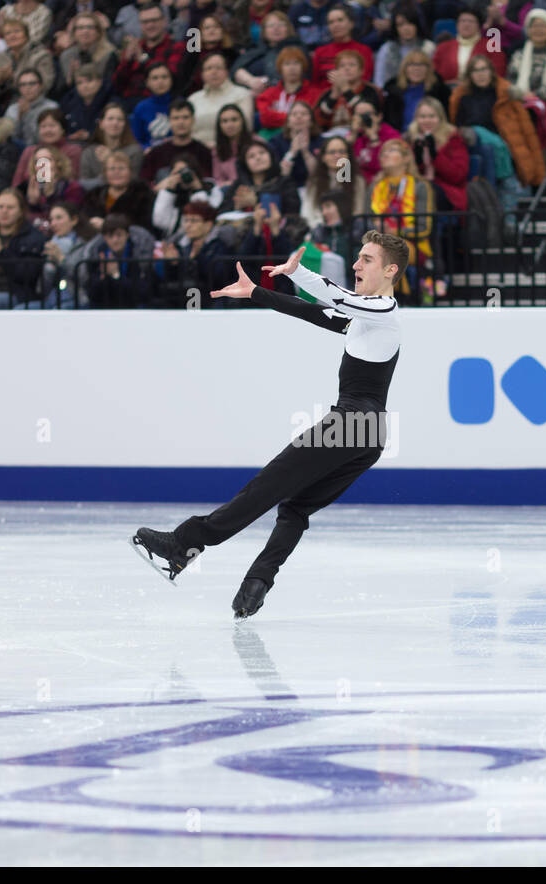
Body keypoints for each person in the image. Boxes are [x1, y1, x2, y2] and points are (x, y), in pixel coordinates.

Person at [133, 232, 407, 620]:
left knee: (268, 486)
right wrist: (257, 293)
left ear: (391, 270)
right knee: (295, 507)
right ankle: (257, 584)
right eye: (358, 257)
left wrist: (300, 271)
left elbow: (336, 297)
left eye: (367, 260)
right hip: (369, 435)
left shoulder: (383, 310)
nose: (357, 265)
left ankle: (183, 544)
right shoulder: (364, 317)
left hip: (352, 423)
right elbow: (312, 312)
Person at [448, 54, 546, 188]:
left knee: (491, 150)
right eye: (475, 71)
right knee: (483, 143)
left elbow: (527, 132)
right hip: (473, 147)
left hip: (507, 146)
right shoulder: (461, 98)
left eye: (484, 69)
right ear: (469, 75)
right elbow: (457, 127)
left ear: (491, 72)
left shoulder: (506, 94)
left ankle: (496, 189)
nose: (480, 74)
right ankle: (494, 188)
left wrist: (537, 173)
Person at [370, 137, 437, 298]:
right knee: (381, 252)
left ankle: (400, 297)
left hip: (414, 245)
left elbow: (425, 228)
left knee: (390, 252)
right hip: (379, 244)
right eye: (382, 153)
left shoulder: (421, 186)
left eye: (391, 150)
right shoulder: (375, 186)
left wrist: (395, 230)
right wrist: (377, 227)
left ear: (406, 158)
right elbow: (367, 221)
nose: (385, 155)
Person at [111, 2, 185, 105]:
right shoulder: (135, 46)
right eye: (145, 22)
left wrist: (143, 59)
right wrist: (127, 61)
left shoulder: (176, 47)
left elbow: (171, 77)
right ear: (140, 25)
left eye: (154, 20)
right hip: (128, 103)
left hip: (159, 103)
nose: (150, 25)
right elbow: (117, 84)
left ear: (164, 21)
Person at [407, 96, 469, 213]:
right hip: (415, 187)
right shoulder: (411, 139)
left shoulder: (454, 140)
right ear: (416, 119)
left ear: (440, 118)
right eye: (422, 117)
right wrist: (418, 160)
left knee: (426, 192)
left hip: (447, 192)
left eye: (432, 116)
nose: (427, 121)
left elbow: (457, 176)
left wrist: (435, 156)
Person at [506, 9, 546, 117]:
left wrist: (536, 96)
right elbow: (510, 81)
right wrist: (523, 96)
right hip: (521, 102)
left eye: (542, 26)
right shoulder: (518, 55)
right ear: (529, 30)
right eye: (534, 26)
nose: (538, 30)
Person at [188, 52, 255, 149]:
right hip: (196, 151)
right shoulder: (193, 99)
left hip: (229, 151)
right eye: (209, 68)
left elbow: (246, 127)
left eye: (218, 68)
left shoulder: (242, 94)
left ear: (227, 72)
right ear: (202, 74)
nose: (213, 72)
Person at [0, 18, 56, 108]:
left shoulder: (41, 55)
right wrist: (0, 82)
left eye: (17, 31)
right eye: (8, 33)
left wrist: (11, 79)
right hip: (5, 103)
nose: (12, 36)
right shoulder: (1, 57)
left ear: (26, 35)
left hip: (34, 103)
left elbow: (46, 86)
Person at [141, 99, 214, 183]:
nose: (181, 122)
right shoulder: (155, 154)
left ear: (193, 120)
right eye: (176, 118)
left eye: (185, 117)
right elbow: (144, 185)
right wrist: (159, 187)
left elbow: (210, 182)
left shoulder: (204, 152)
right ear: (169, 121)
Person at [232, 10, 305, 92]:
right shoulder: (255, 50)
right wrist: (251, 81)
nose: (276, 28)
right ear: (264, 30)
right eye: (271, 25)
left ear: (288, 29)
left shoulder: (298, 50)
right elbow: (236, 69)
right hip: (254, 93)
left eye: (281, 24)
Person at [255, 46, 321, 135]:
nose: (292, 68)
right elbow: (265, 118)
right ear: (280, 68)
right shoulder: (269, 93)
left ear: (303, 66)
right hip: (273, 136)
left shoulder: (314, 93)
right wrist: (297, 118)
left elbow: (314, 119)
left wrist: (277, 116)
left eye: (296, 63)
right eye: (287, 64)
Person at [304, 134, 367, 226]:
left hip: (349, 231)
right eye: (332, 152)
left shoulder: (357, 181)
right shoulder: (314, 181)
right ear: (323, 157)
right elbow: (308, 213)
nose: (337, 156)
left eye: (342, 152)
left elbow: (358, 212)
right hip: (320, 231)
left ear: (348, 156)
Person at [382, 49, 450, 133]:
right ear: (404, 68)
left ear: (428, 69)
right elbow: (387, 123)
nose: (417, 69)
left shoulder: (440, 91)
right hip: (399, 138)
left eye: (421, 65)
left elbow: (445, 120)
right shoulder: (392, 92)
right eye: (412, 64)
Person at [80, 148, 151, 230]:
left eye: (121, 168)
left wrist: (107, 225)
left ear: (130, 172)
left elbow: (142, 225)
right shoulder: (94, 195)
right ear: (105, 173)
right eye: (112, 169)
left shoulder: (143, 195)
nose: (116, 172)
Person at [433, 8, 506, 84]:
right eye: (463, 21)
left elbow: (498, 73)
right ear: (457, 25)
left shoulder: (492, 46)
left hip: (481, 91)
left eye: (471, 21)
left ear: (479, 25)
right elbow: (433, 75)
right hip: (447, 91)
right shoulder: (443, 47)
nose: (466, 24)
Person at [80, 101, 143, 188]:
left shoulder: (135, 151)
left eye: (120, 119)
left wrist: (110, 160)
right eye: (110, 119)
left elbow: (133, 182)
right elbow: (84, 184)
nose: (115, 123)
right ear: (101, 124)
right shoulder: (89, 153)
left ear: (125, 124)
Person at [373, 4, 434, 89]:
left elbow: (433, 78)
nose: (406, 28)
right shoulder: (387, 49)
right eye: (400, 25)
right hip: (393, 95)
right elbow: (379, 82)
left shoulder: (428, 47)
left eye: (410, 23)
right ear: (395, 27)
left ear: (417, 25)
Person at [312, 3, 375, 85]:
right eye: (331, 22)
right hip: (326, 95)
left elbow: (365, 80)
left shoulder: (364, 50)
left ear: (351, 23)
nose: (336, 25)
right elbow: (314, 83)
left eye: (340, 20)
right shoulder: (320, 52)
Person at [268, 99, 322, 186]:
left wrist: (305, 152)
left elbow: (319, 174)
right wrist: (292, 152)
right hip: (285, 188)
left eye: (304, 114)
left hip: (313, 187)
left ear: (311, 121)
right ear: (288, 122)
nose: (299, 117)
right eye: (294, 114)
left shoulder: (321, 141)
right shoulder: (276, 141)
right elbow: (279, 174)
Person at [5, 70, 61, 145]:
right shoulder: (12, 109)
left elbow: (41, 139)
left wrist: (27, 115)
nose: (27, 87)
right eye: (23, 84)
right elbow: (9, 138)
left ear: (41, 86)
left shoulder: (51, 107)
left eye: (32, 83)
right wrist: (20, 117)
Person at [130, 62, 175, 149]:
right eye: (155, 78)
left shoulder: (180, 104)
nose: (160, 81)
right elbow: (136, 141)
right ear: (147, 82)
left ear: (171, 80)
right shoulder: (141, 108)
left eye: (164, 77)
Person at [211, 103, 256, 187]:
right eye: (224, 121)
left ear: (242, 121)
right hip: (229, 191)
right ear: (219, 125)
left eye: (234, 119)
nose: (229, 125)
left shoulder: (256, 142)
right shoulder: (217, 149)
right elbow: (218, 179)